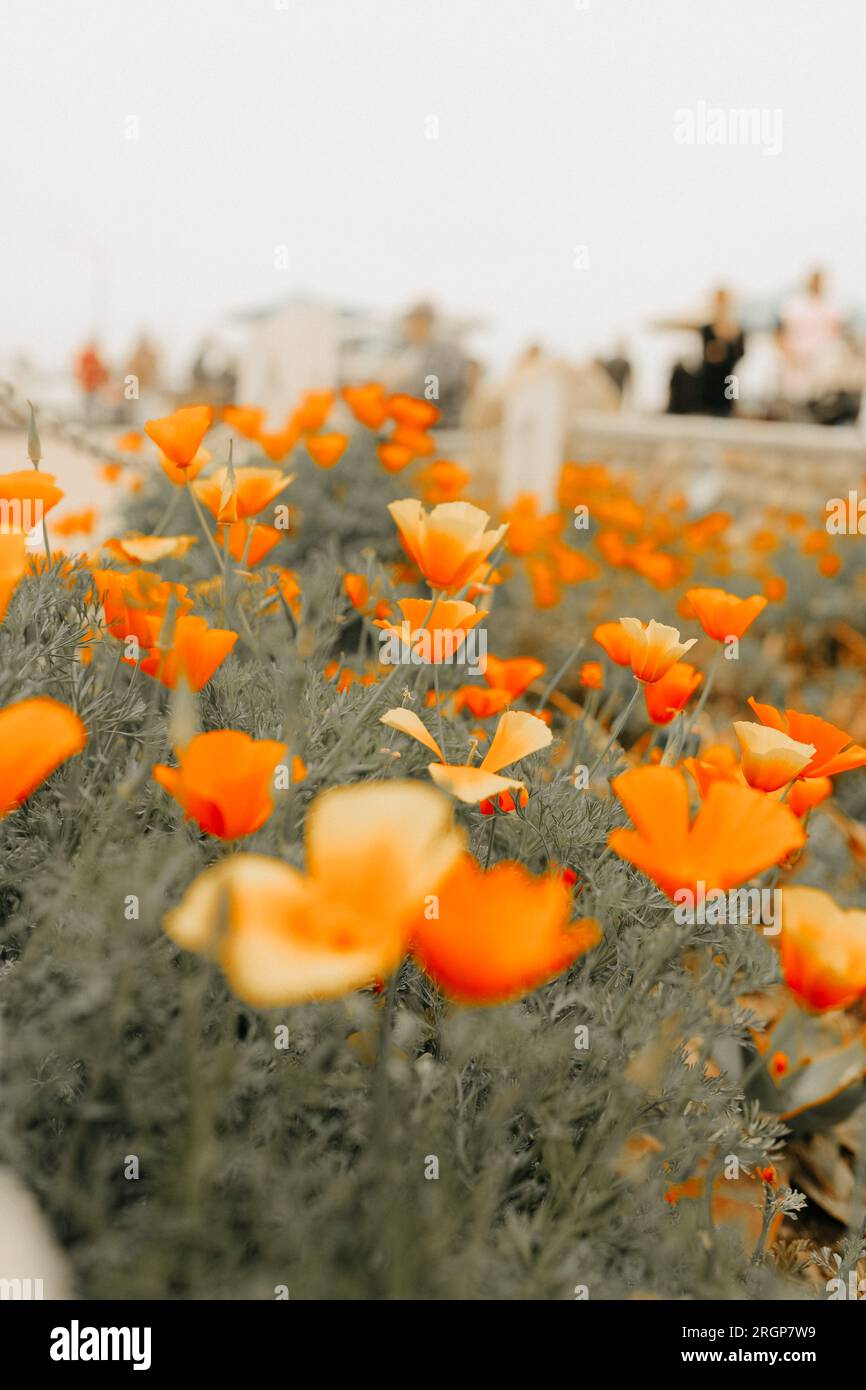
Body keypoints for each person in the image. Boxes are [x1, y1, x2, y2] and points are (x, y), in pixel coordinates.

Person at [779, 268, 841, 416]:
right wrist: (791, 356)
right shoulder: (794, 305)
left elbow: (835, 335)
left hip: (821, 363)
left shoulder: (831, 307)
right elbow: (781, 334)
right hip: (795, 361)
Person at [698, 288, 745, 416]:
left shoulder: (738, 331)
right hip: (709, 388)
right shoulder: (707, 329)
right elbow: (710, 356)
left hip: (730, 387)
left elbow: (740, 358)